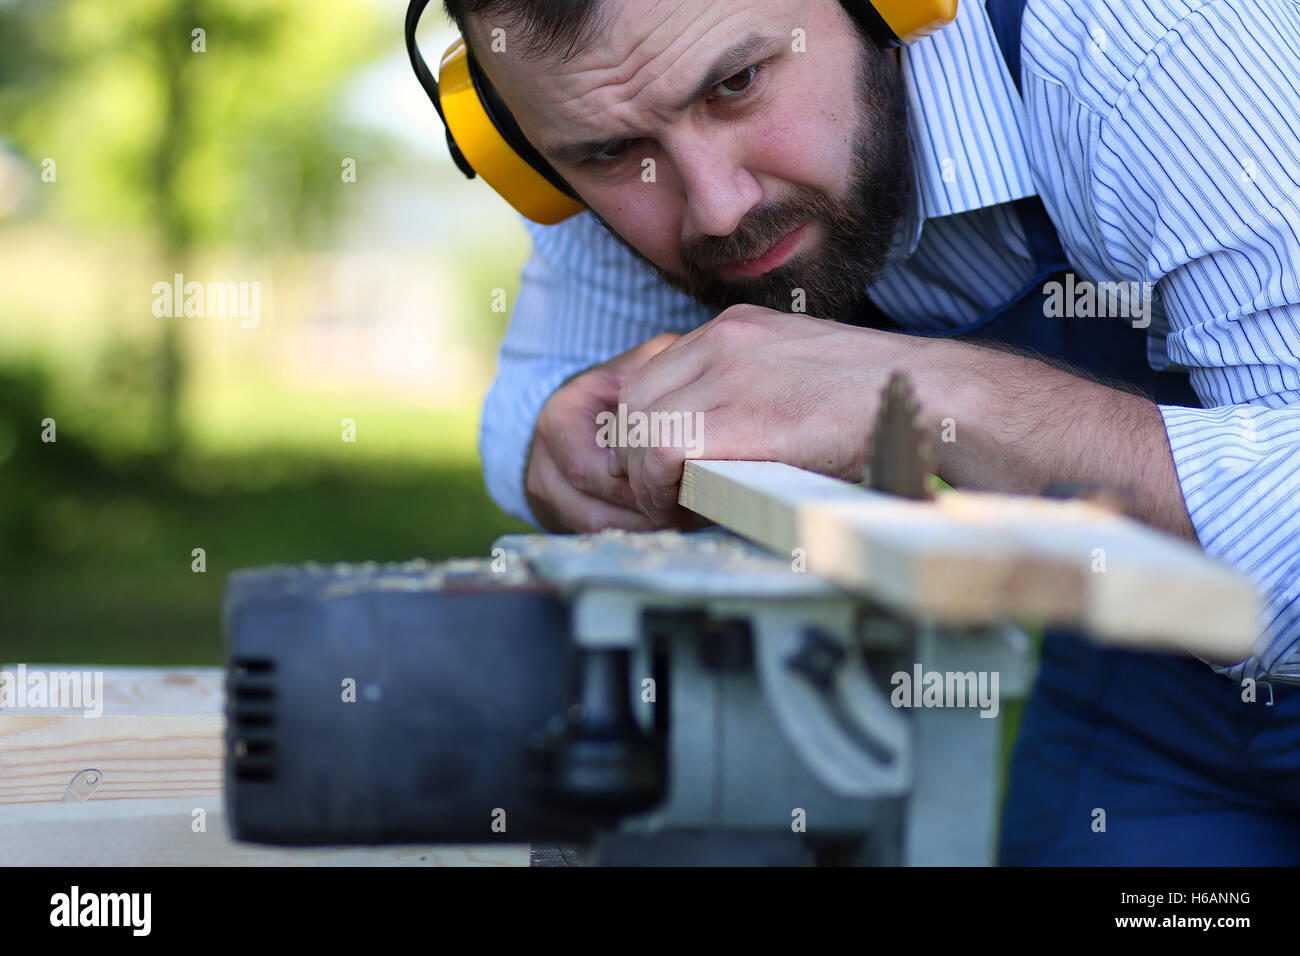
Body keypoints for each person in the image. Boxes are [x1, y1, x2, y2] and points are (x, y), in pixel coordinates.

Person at [434, 0, 1300, 862]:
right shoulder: (621, 101)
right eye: (614, 155)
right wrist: (567, 441)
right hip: (1149, 660)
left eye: (736, 85)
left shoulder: (1152, 38)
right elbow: (534, 396)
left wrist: (930, 395)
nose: (718, 210)